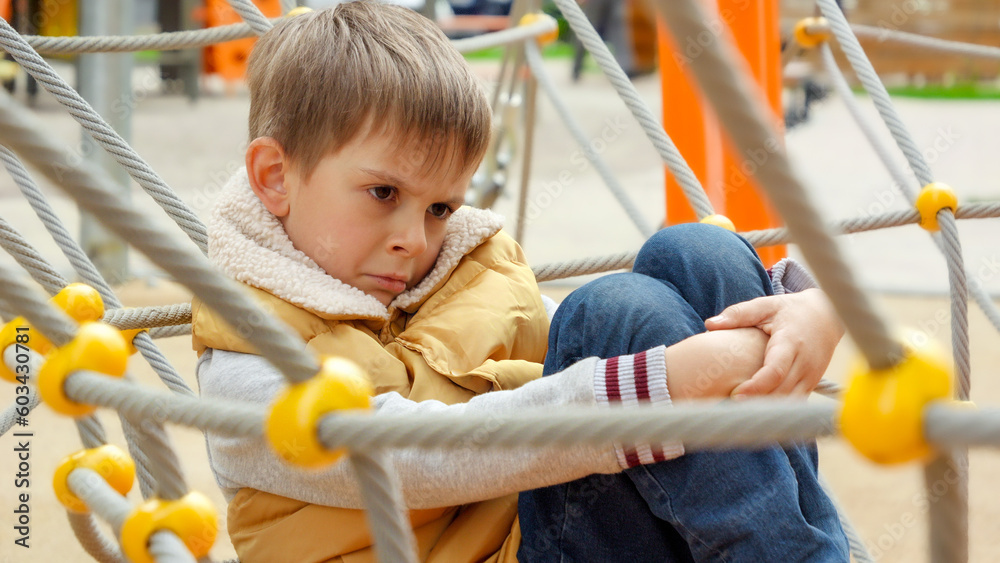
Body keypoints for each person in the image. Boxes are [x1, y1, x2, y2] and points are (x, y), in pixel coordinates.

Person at [193, 2, 849, 561]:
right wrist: (667, 383)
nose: (413, 238)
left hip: (557, 529)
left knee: (695, 252)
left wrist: (810, 308)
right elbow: (403, 460)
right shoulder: (248, 360)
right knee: (613, 311)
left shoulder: (455, 264)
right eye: (382, 191)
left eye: (439, 207)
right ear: (275, 177)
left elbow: (579, 330)